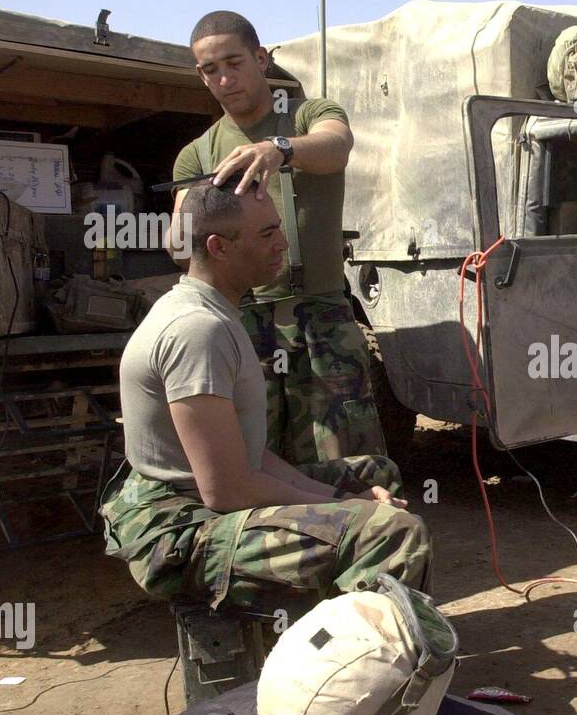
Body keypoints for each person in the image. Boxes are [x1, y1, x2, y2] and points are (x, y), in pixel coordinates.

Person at [103, 176, 429, 615]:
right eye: (266, 234)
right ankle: (364, 669)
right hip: (178, 531)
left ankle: (344, 631)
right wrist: (346, 508)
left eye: (277, 228)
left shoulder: (217, 310)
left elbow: (251, 455)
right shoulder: (198, 330)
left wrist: (348, 499)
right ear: (219, 247)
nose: (282, 245)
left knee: (374, 475)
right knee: (392, 532)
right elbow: (227, 489)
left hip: (203, 500)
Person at [169, 10, 385, 468]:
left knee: (346, 461)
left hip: (319, 316)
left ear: (260, 59)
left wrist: (281, 150)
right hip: (241, 324)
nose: (225, 79)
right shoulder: (198, 153)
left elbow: (337, 145)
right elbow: (179, 244)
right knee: (257, 460)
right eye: (211, 70)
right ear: (200, 75)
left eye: (234, 63)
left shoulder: (308, 114)